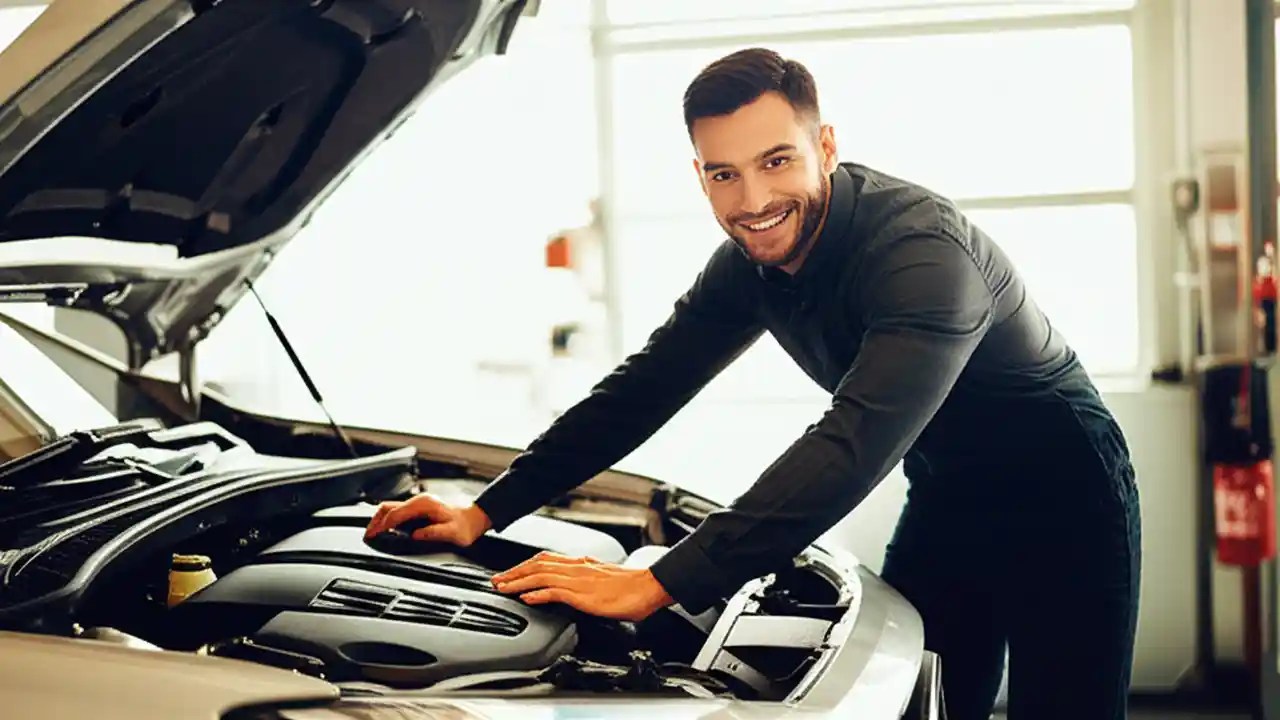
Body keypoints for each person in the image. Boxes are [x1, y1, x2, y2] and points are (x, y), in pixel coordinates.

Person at [365, 48, 1142, 720]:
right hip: (948, 495)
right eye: (724, 174)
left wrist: (661, 583)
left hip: (1064, 498)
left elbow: (853, 442)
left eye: (777, 161)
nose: (754, 201)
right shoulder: (748, 264)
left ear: (825, 146)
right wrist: (487, 508)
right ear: (700, 177)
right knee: (927, 703)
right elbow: (644, 388)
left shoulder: (925, 255)